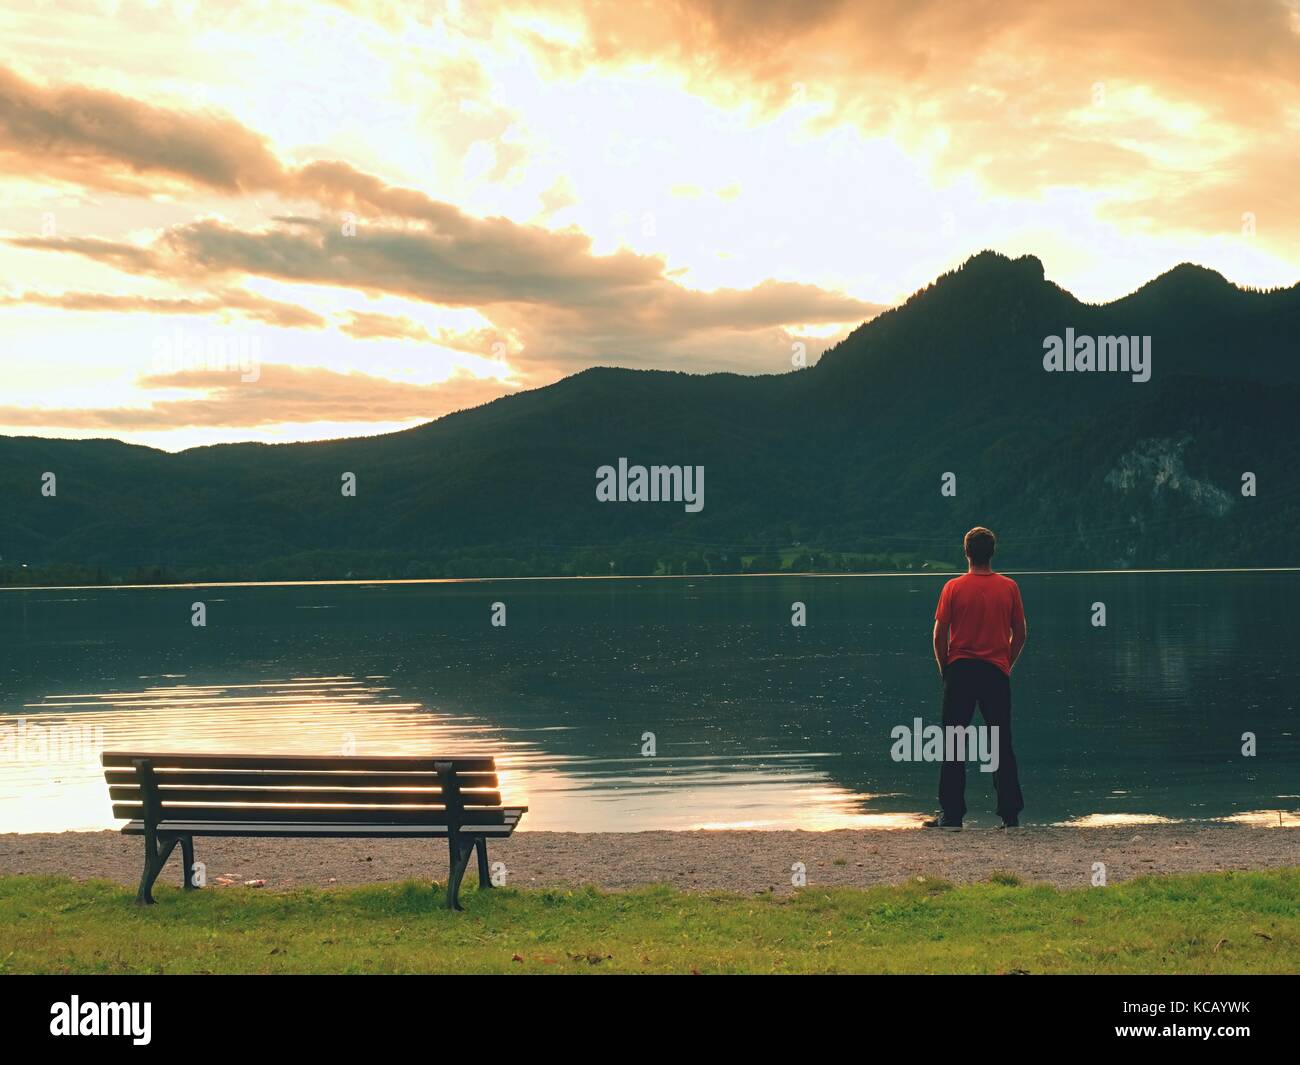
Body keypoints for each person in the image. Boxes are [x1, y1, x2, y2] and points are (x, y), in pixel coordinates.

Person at [923, 526, 1026, 830]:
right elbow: (1020, 634)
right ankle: (1010, 816)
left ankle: (952, 815)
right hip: (995, 672)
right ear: (992, 553)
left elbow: (939, 636)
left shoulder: (953, 588)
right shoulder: (1009, 588)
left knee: (953, 742)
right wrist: (1006, 662)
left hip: (961, 671)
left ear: (966, 553)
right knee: (1000, 743)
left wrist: (946, 670)